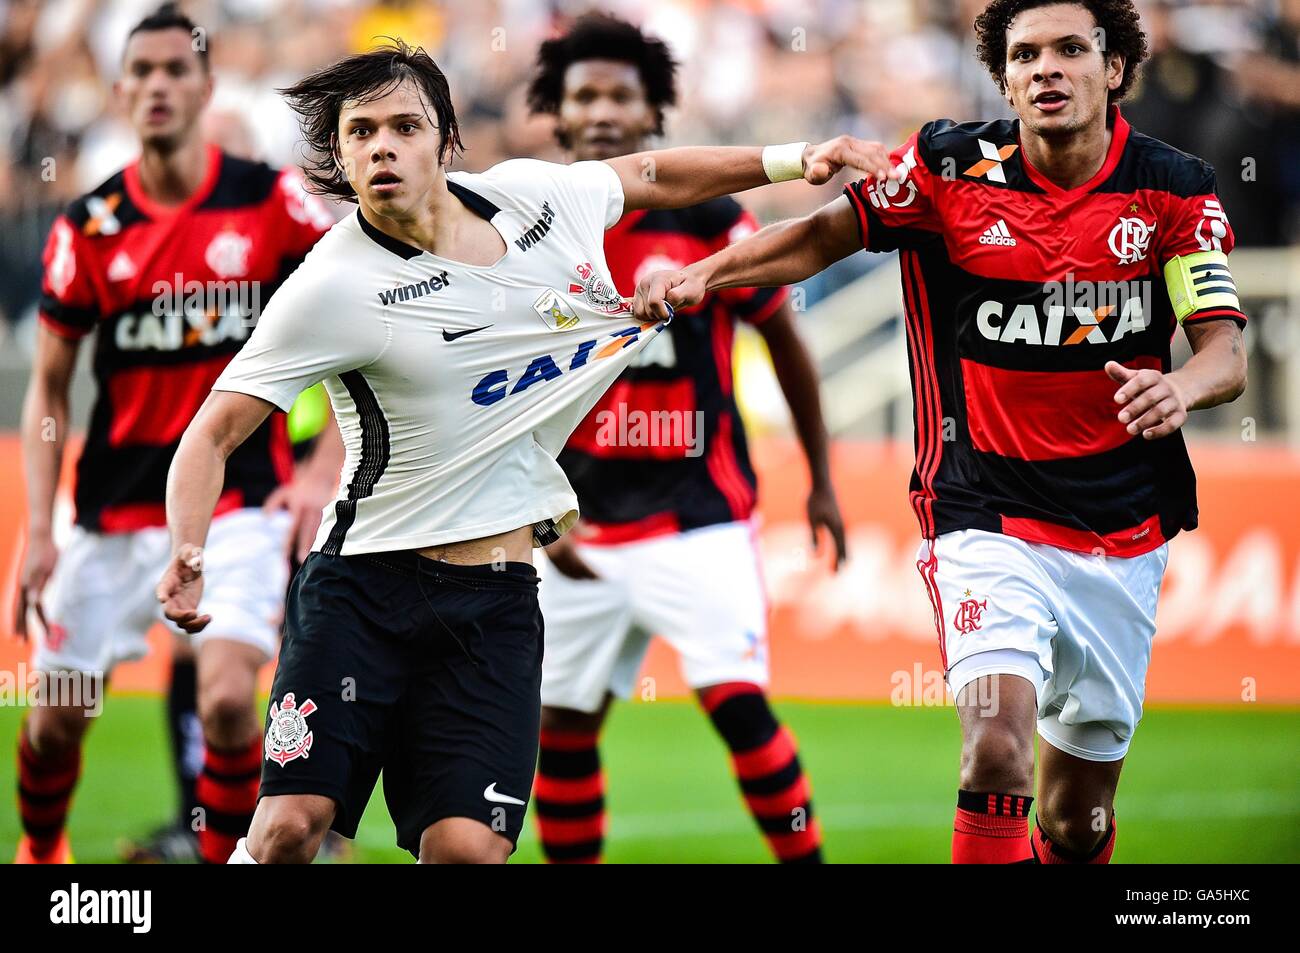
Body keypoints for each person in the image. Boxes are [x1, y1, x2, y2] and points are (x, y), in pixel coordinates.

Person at [154, 39, 893, 865]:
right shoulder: (331, 285)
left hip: (496, 599)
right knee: (292, 825)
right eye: (360, 133)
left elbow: (653, 175)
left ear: (446, 138)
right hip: (361, 590)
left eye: (406, 125)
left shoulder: (534, 200)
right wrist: (189, 544)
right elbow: (212, 430)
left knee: (468, 852)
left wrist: (799, 158)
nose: (383, 146)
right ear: (338, 154)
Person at [634, 0, 1248, 864]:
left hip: (1122, 527)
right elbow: (819, 237)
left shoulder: (1173, 187)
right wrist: (709, 272)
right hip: (983, 510)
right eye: (1025, 54)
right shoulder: (947, 166)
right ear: (1003, 77)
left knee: (1079, 823)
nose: (1047, 68)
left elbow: (1226, 350)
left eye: (1072, 49)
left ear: (1114, 70)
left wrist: (1179, 387)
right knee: (997, 743)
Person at [12, 3, 339, 865]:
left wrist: (321, 470)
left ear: (206, 84)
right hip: (113, 513)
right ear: (120, 92)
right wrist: (36, 530)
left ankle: (219, 857)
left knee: (232, 700)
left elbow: (366, 323)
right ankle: (42, 856)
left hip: (238, 498)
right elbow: (48, 389)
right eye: (143, 72)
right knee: (54, 722)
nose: (158, 85)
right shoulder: (89, 227)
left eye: (175, 69)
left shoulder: (270, 202)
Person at [525, 13, 843, 864]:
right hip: (576, 526)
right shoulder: (531, 230)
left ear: (651, 112)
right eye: (582, 94)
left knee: (740, 708)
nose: (600, 110)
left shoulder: (707, 219)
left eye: (619, 95)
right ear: (556, 112)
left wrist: (821, 478)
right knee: (559, 728)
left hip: (698, 514)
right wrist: (537, 516)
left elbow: (784, 339)